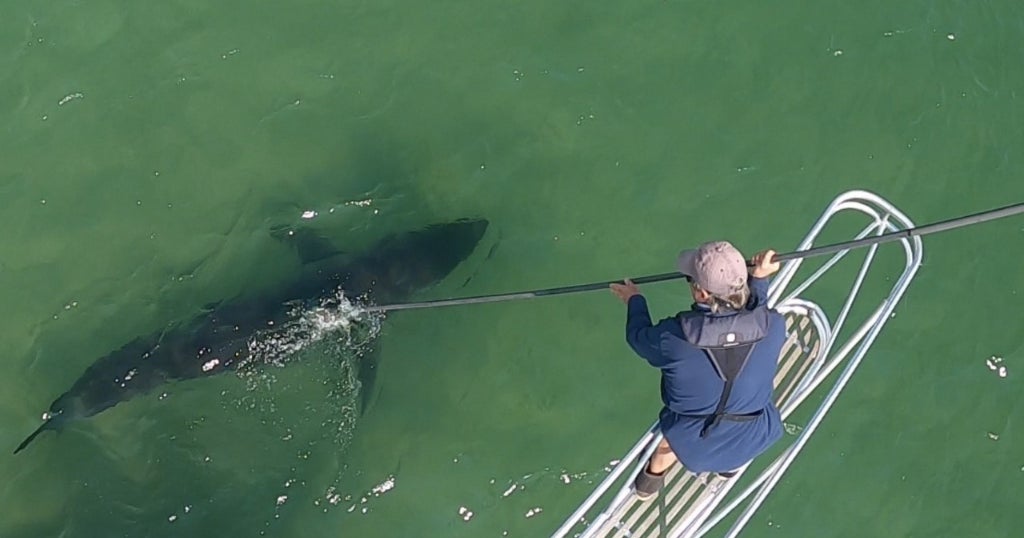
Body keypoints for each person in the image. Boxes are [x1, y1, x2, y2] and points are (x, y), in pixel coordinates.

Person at [609, 241, 786, 501]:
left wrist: (635, 300)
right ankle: (728, 470)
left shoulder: (673, 338)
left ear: (702, 294)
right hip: (755, 434)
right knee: (732, 415)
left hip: (696, 444)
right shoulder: (775, 326)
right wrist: (759, 281)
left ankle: (647, 486)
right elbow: (758, 316)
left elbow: (638, 337)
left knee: (667, 442)